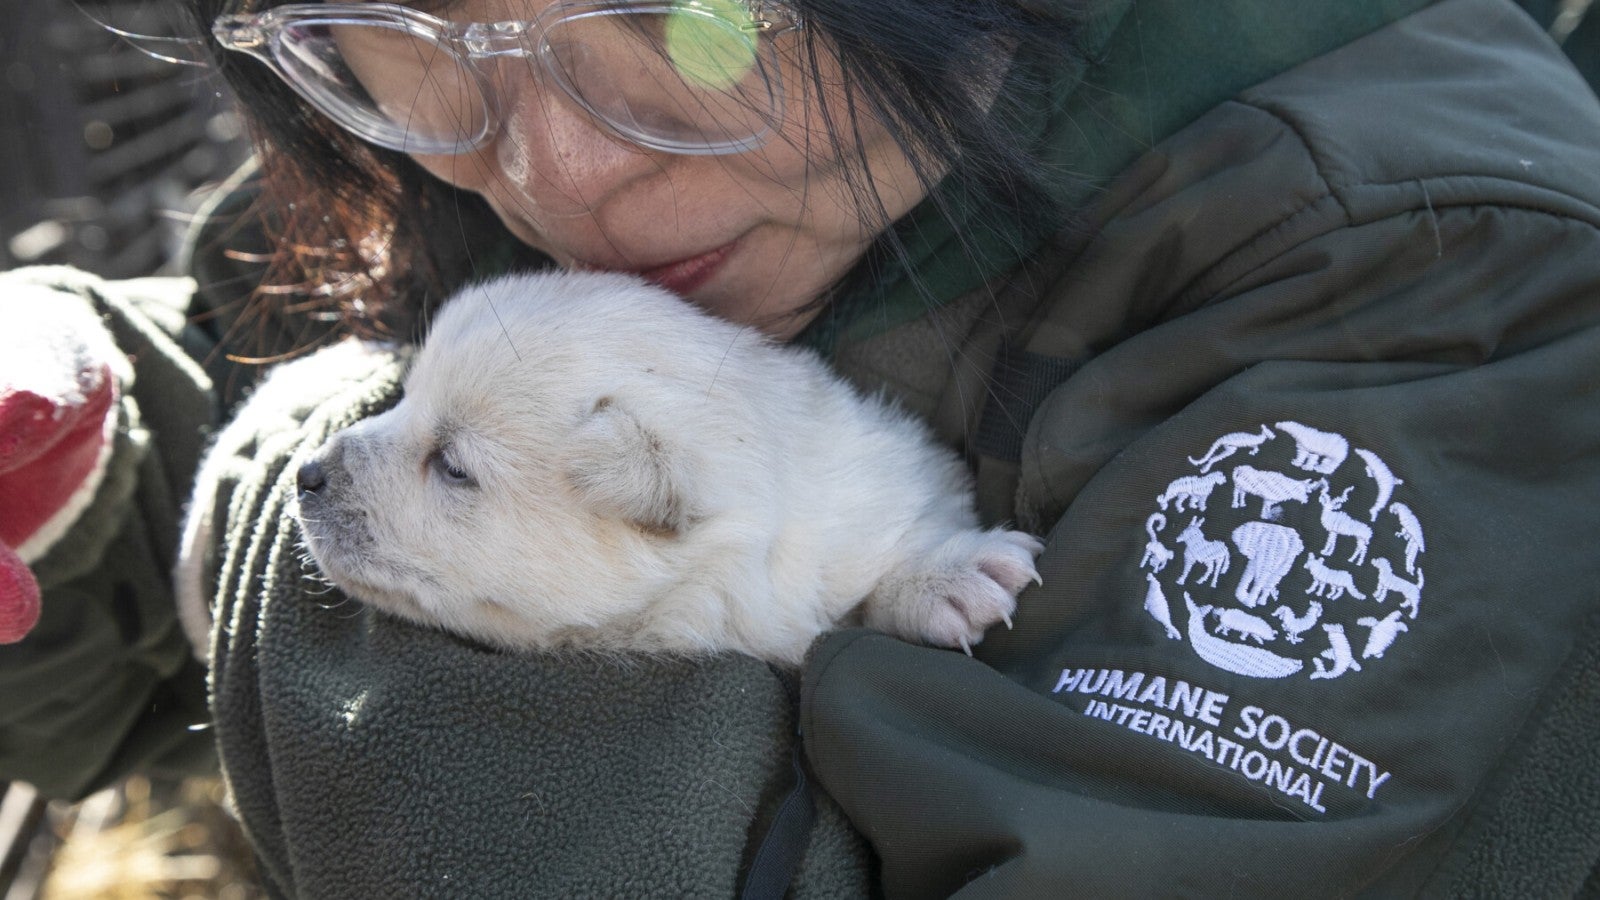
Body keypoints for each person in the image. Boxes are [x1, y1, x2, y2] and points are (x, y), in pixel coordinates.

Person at [3, 0, 1599, 895]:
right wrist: (84, 452)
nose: (561, 181)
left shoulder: (1425, 283)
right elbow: (237, 428)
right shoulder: (476, 164)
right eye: (405, 52)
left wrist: (317, 529)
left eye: (664, 21)